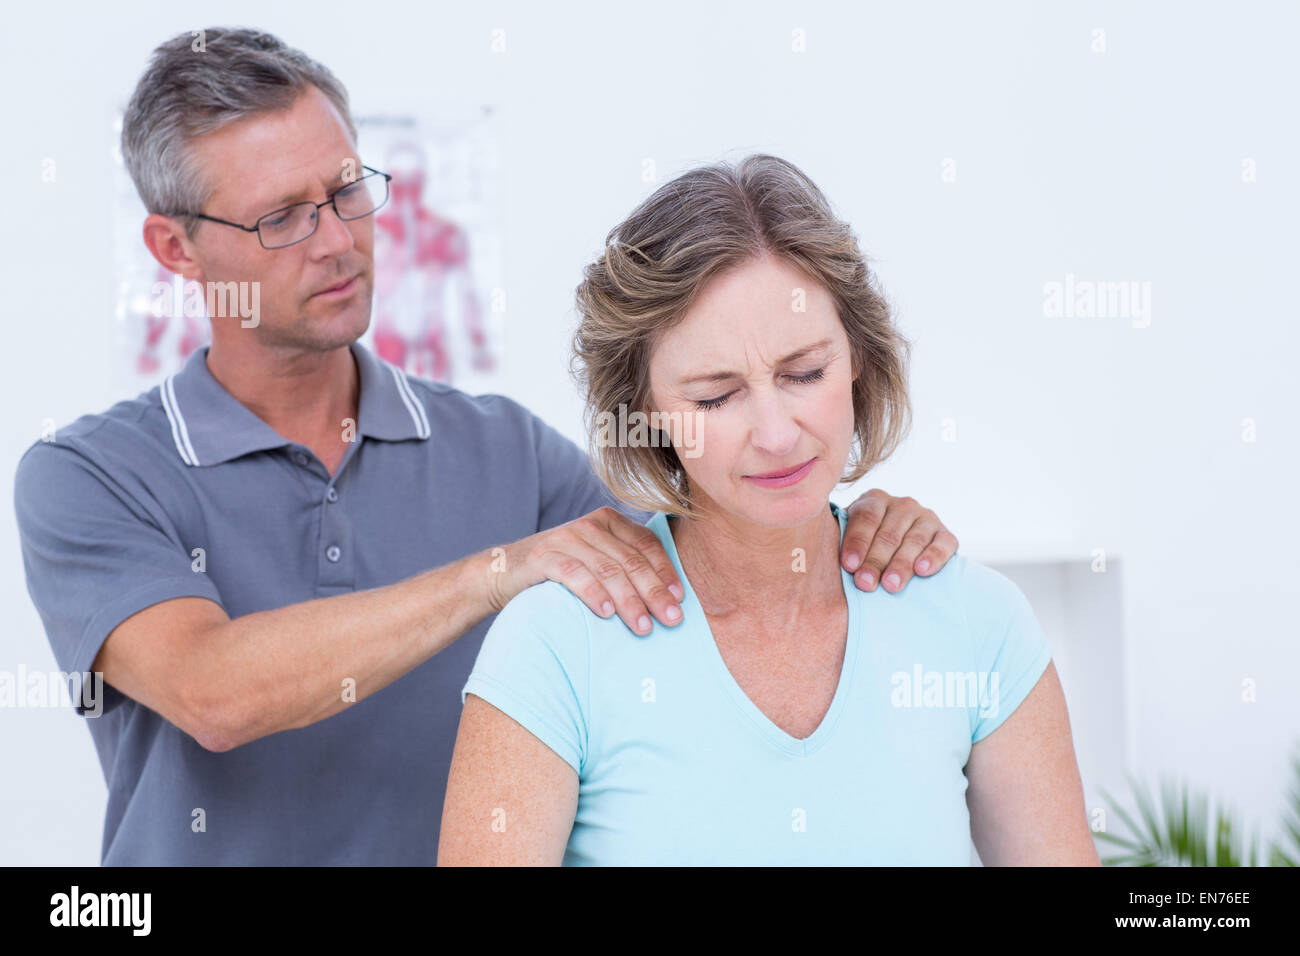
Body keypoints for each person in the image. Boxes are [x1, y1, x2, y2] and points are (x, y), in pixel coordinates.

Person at [12, 30, 959, 865]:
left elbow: (712, 564)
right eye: (281, 217)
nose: (338, 240)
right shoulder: (88, 475)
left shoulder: (506, 449)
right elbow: (210, 692)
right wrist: (495, 571)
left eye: (345, 190)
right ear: (176, 249)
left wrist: (844, 522)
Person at [438, 154, 1099, 865]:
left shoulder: (977, 622)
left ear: (856, 360)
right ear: (648, 414)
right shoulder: (555, 649)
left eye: (804, 373)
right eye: (714, 396)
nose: (778, 434)